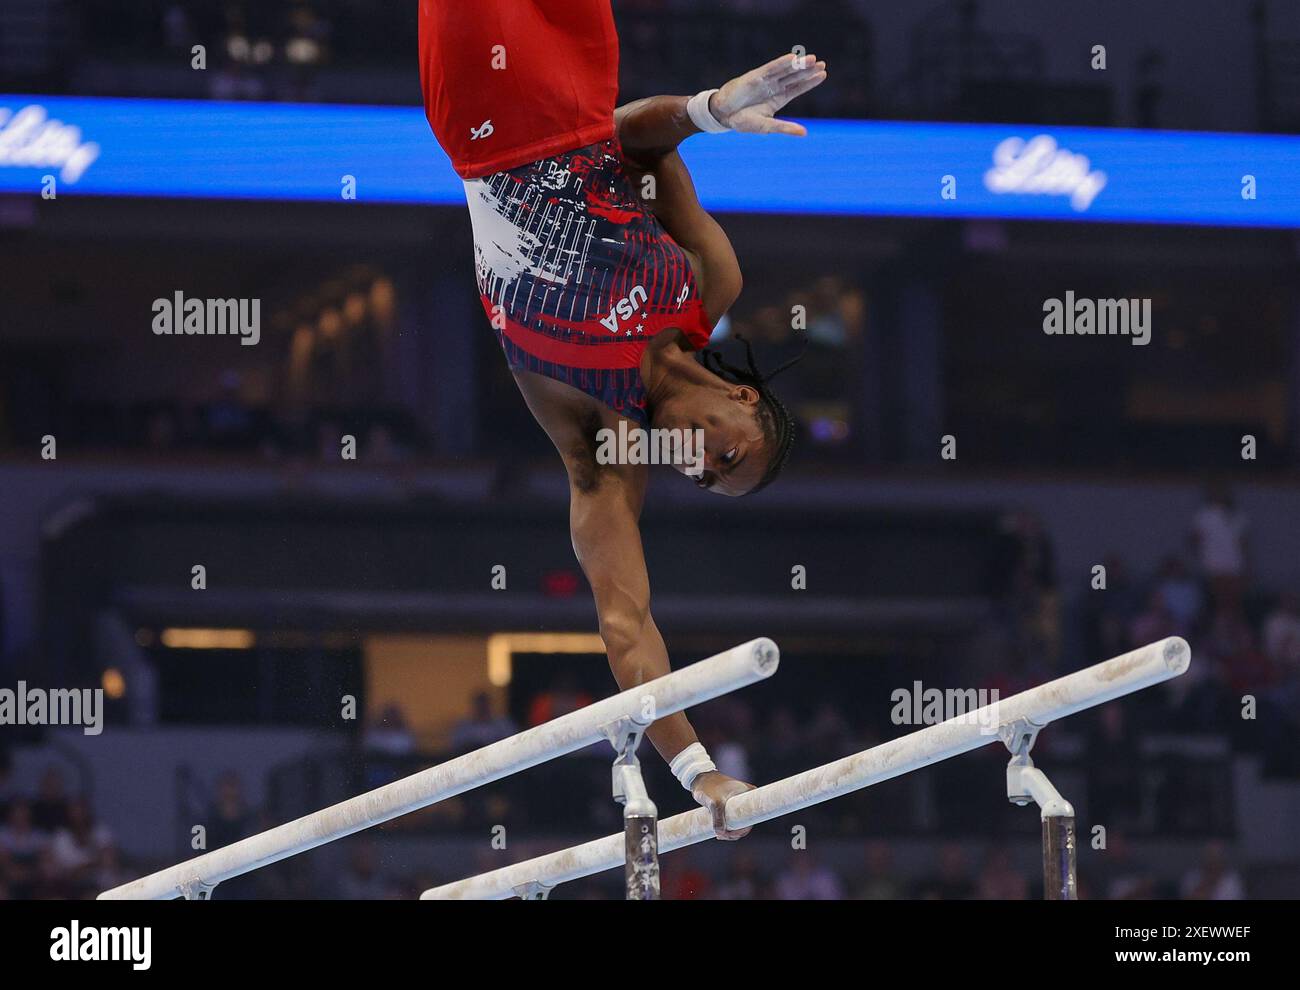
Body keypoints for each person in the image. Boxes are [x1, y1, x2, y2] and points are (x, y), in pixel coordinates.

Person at [419, 0, 827, 837]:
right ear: (743, 398)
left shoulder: (601, 448)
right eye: (728, 456)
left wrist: (698, 772)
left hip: (488, 122)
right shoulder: (710, 282)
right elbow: (632, 141)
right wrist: (709, 111)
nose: (700, 466)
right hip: (579, 78)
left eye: (709, 481)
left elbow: (626, 625)